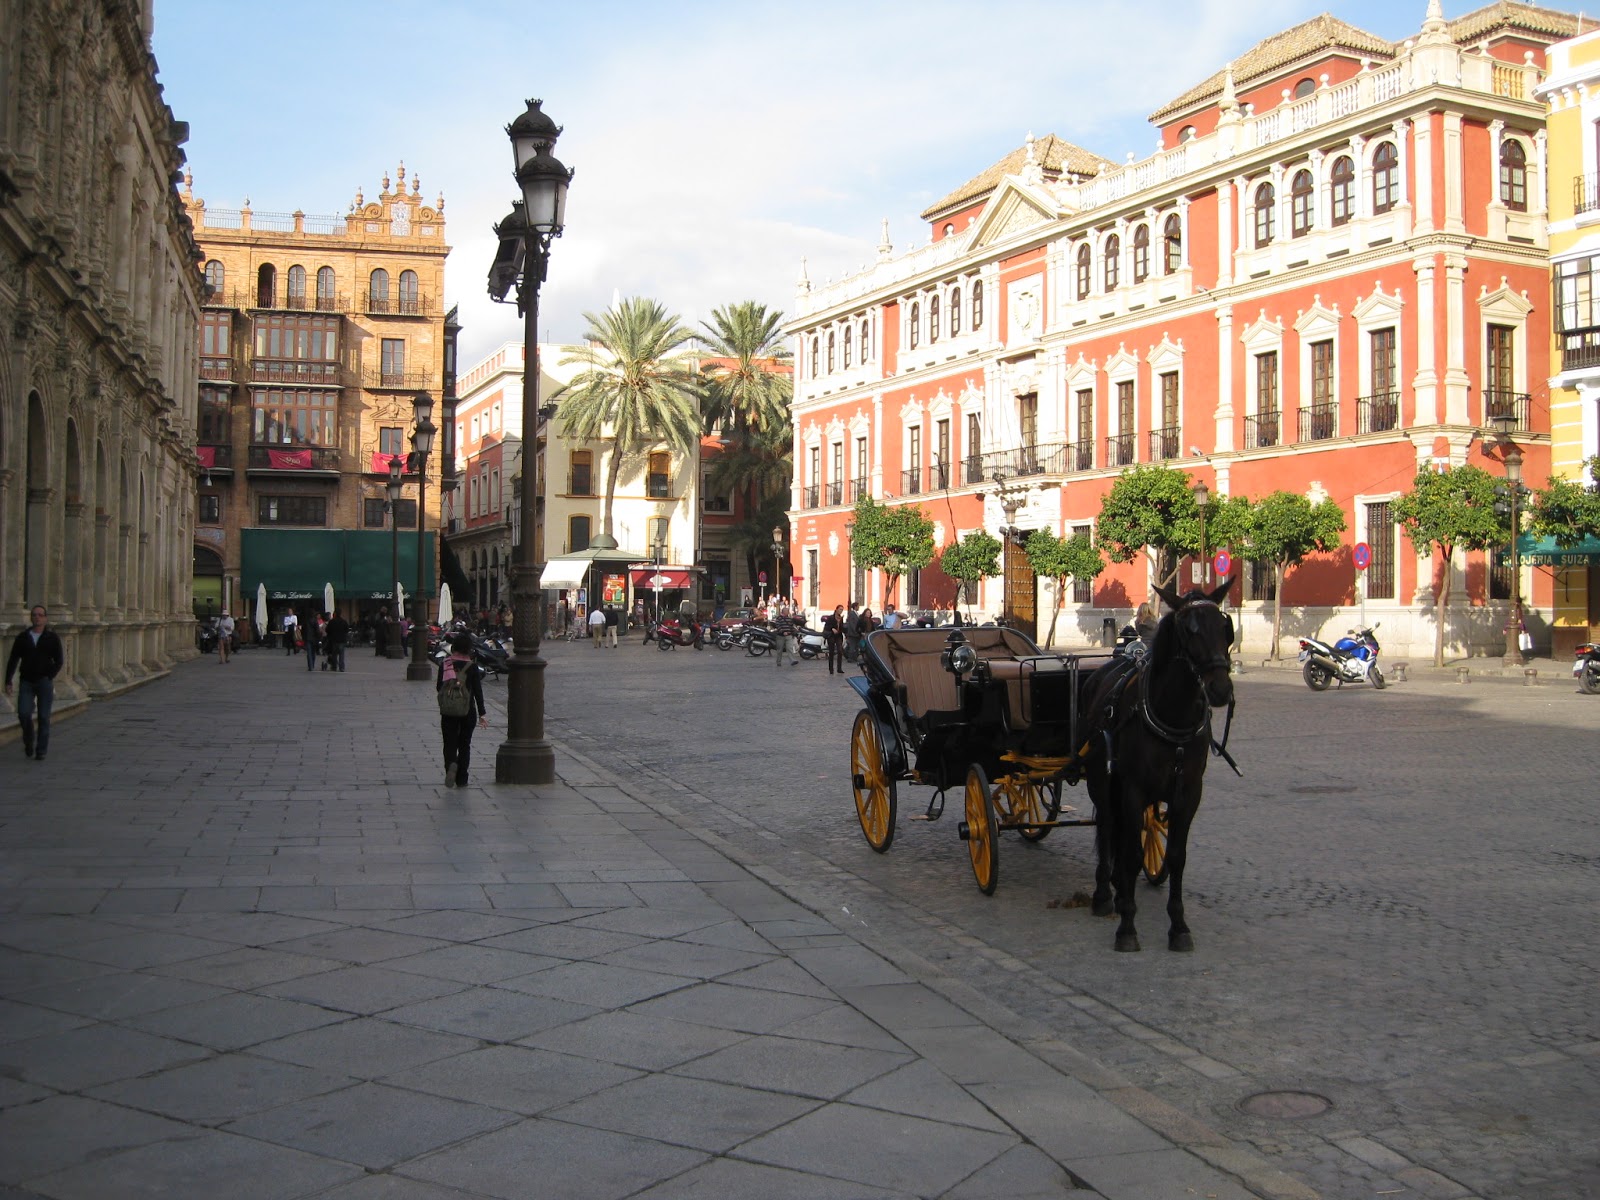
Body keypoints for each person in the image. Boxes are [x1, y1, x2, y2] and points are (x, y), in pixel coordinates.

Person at [6, 604, 65, 762]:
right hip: (26, 681)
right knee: (24, 713)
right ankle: (29, 739)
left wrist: (49, 675)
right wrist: (8, 680)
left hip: (44, 681)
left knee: (44, 717)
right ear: (31, 618)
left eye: (40, 615)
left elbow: (59, 660)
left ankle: (41, 750)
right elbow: (13, 659)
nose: (37, 617)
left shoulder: (51, 638)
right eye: (34, 615)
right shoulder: (23, 637)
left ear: (45, 618)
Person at [436, 632, 488, 788]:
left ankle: (451, 765)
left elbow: (439, 687)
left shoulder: (446, 663)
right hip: (467, 710)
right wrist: (482, 713)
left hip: (449, 710)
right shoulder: (472, 667)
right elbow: (478, 692)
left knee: (449, 743)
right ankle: (462, 778)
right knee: (464, 744)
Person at [772, 602, 799, 668]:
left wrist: (794, 631)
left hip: (789, 635)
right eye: (787, 611)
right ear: (783, 612)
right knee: (780, 650)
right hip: (781, 636)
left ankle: (792, 660)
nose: (788, 612)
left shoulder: (789, 619)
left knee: (790, 648)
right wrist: (782, 631)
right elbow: (778, 626)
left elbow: (791, 626)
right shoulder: (779, 618)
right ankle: (778, 662)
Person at [822, 604, 846, 676]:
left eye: (842, 609)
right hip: (831, 636)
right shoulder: (831, 618)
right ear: (836, 609)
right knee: (831, 652)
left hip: (838, 636)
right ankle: (831, 669)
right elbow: (826, 627)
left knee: (840, 651)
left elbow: (841, 628)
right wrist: (832, 629)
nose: (841, 611)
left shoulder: (841, 618)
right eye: (840, 609)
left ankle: (839, 668)